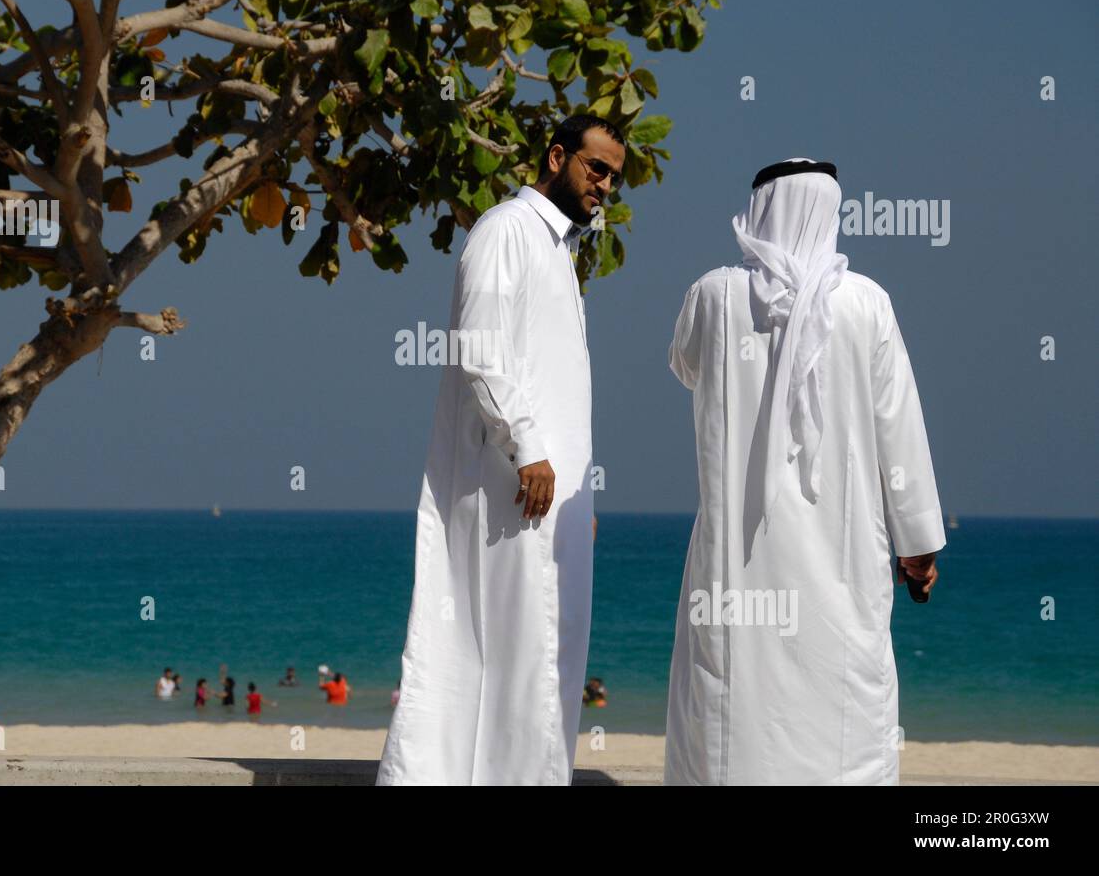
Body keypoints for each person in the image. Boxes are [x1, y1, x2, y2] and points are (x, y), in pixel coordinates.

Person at [664, 158, 945, 785]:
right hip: (841, 557)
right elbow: (901, 431)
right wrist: (919, 546)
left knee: (730, 707)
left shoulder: (713, 295)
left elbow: (685, 366)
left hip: (736, 558)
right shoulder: (867, 303)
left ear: (760, 208)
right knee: (840, 705)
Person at [378, 115, 626, 786]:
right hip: (511, 486)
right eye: (595, 167)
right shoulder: (504, 231)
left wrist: (577, 494)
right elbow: (480, 351)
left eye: (614, 176)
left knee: (547, 655)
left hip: (549, 498)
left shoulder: (561, 251)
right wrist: (528, 450)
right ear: (556, 155)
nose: (605, 184)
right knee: (517, 650)